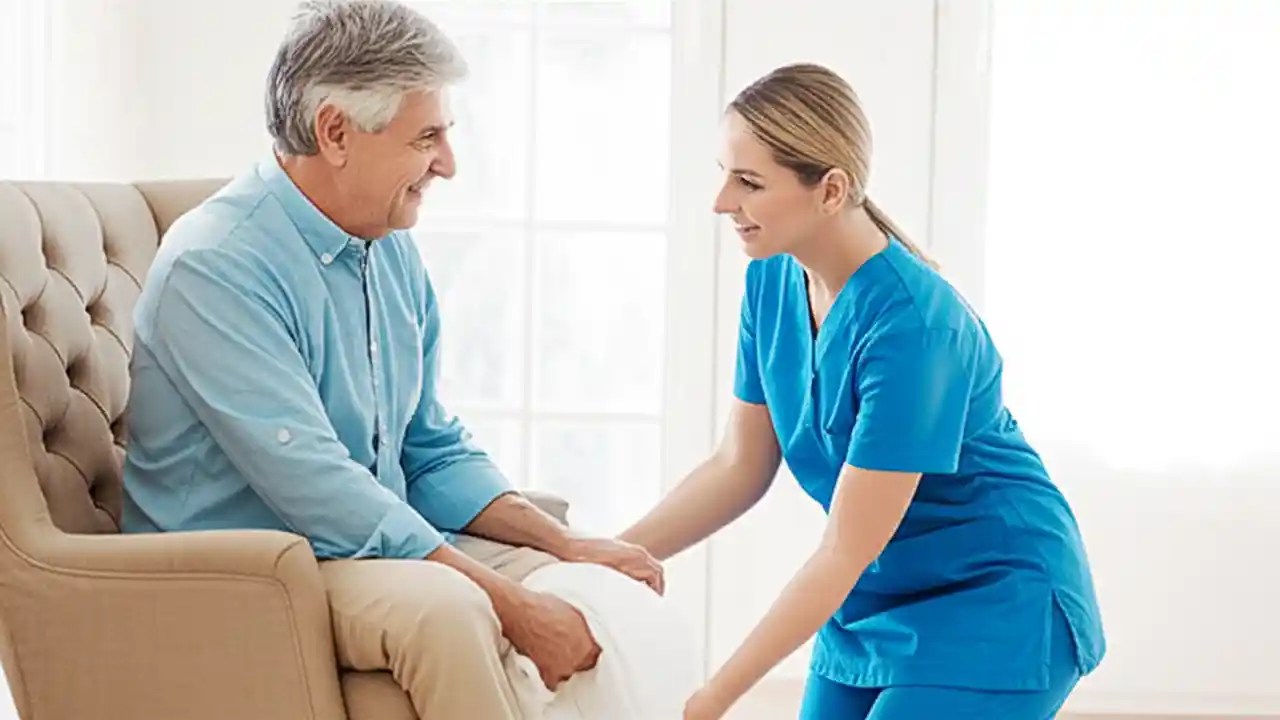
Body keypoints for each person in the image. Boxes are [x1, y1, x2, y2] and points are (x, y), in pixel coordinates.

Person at [121, 2, 662, 718]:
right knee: (455, 609)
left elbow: (426, 445)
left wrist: (567, 545)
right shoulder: (217, 266)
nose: (448, 162)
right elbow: (317, 488)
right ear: (336, 132)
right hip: (244, 569)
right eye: (427, 136)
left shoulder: (387, 246)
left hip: (347, 547)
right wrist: (514, 608)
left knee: (597, 590)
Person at [620, 63, 1106, 720]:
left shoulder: (918, 328)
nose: (721, 201)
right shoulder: (772, 279)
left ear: (830, 190)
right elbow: (740, 466)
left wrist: (711, 699)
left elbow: (845, 546)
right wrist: (613, 556)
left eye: (749, 182)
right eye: (725, 173)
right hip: (873, 595)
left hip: (997, 600)